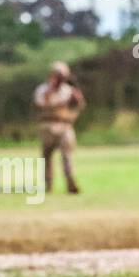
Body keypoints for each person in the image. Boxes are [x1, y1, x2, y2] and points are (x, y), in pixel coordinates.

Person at [33, 60, 85, 194]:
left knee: (67, 156)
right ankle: (48, 185)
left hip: (64, 126)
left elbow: (79, 106)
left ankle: (71, 183)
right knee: (46, 158)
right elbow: (41, 104)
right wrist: (52, 92)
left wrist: (76, 99)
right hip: (47, 126)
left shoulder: (68, 90)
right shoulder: (42, 89)